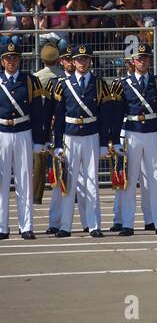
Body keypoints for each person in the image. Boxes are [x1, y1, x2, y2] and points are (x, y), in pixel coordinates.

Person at [51, 45, 114, 237]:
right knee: (69, 182)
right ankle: (65, 226)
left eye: (86, 59)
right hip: (70, 135)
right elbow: (59, 117)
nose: (82, 62)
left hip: (92, 135)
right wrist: (58, 143)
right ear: (73, 61)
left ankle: (94, 225)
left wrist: (104, 142)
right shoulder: (63, 84)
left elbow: (104, 116)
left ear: (90, 61)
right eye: (79, 59)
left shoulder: (99, 84)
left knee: (92, 181)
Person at [114, 44, 157, 235]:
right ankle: (128, 224)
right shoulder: (123, 83)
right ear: (132, 61)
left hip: (153, 132)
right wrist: (115, 139)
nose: (143, 61)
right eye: (139, 58)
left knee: (155, 179)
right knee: (130, 179)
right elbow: (117, 114)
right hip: (132, 132)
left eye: (146, 58)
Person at [0, 37, 48, 239]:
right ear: (2, 61)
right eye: (8, 58)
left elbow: (39, 113)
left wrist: (39, 140)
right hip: (2, 132)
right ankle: (2, 227)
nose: (12, 61)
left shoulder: (30, 81)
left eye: (15, 58)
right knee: (1, 181)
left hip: (23, 132)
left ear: (20, 60)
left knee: (24, 181)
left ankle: (26, 226)